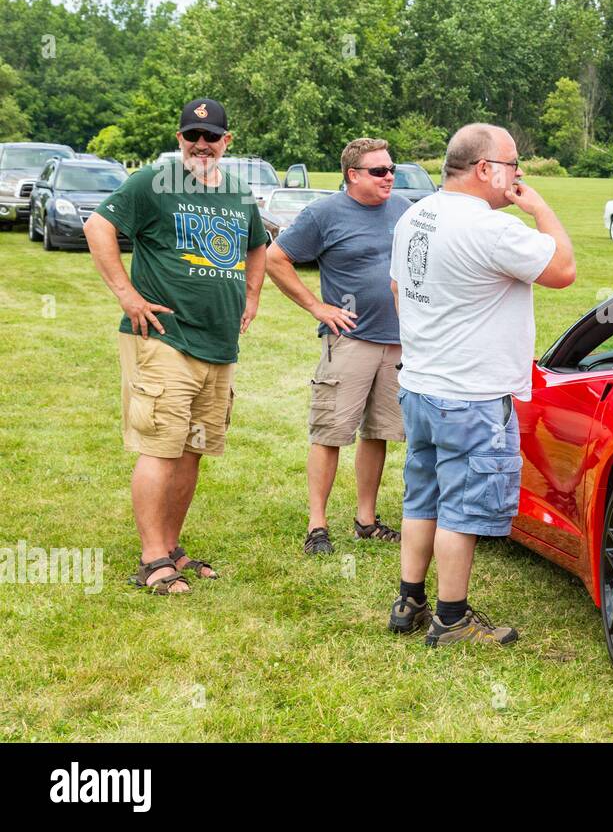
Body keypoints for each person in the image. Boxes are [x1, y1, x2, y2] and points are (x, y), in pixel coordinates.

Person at [387, 123, 575, 645]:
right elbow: (562, 269)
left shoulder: (414, 215)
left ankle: (410, 600)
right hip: (470, 395)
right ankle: (452, 618)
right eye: (514, 165)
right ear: (486, 169)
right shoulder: (491, 229)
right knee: (462, 508)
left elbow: (400, 289)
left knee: (422, 496)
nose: (518, 174)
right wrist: (539, 208)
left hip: (420, 384)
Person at [84, 98, 269, 593]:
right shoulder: (152, 183)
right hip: (164, 338)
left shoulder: (236, 190)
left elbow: (257, 244)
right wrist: (128, 296)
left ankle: (171, 547)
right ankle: (151, 560)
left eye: (212, 137)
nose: (201, 145)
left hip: (218, 344)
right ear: (179, 138)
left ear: (228, 142)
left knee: (193, 450)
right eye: (193, 135)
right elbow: (98, 226)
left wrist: (251, 294)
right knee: (162, 448)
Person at [265, 138, 409, 554]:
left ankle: (366, 519)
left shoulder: (402, 208)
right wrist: (317, 307)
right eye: (379, 171)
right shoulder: (324, 214)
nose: (389, 177)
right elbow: (277, 258)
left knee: (379, 431)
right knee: (330, 432)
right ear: (353, 175)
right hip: (349, 341)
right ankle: (317, 526)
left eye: (391, 168)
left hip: (396, 342)